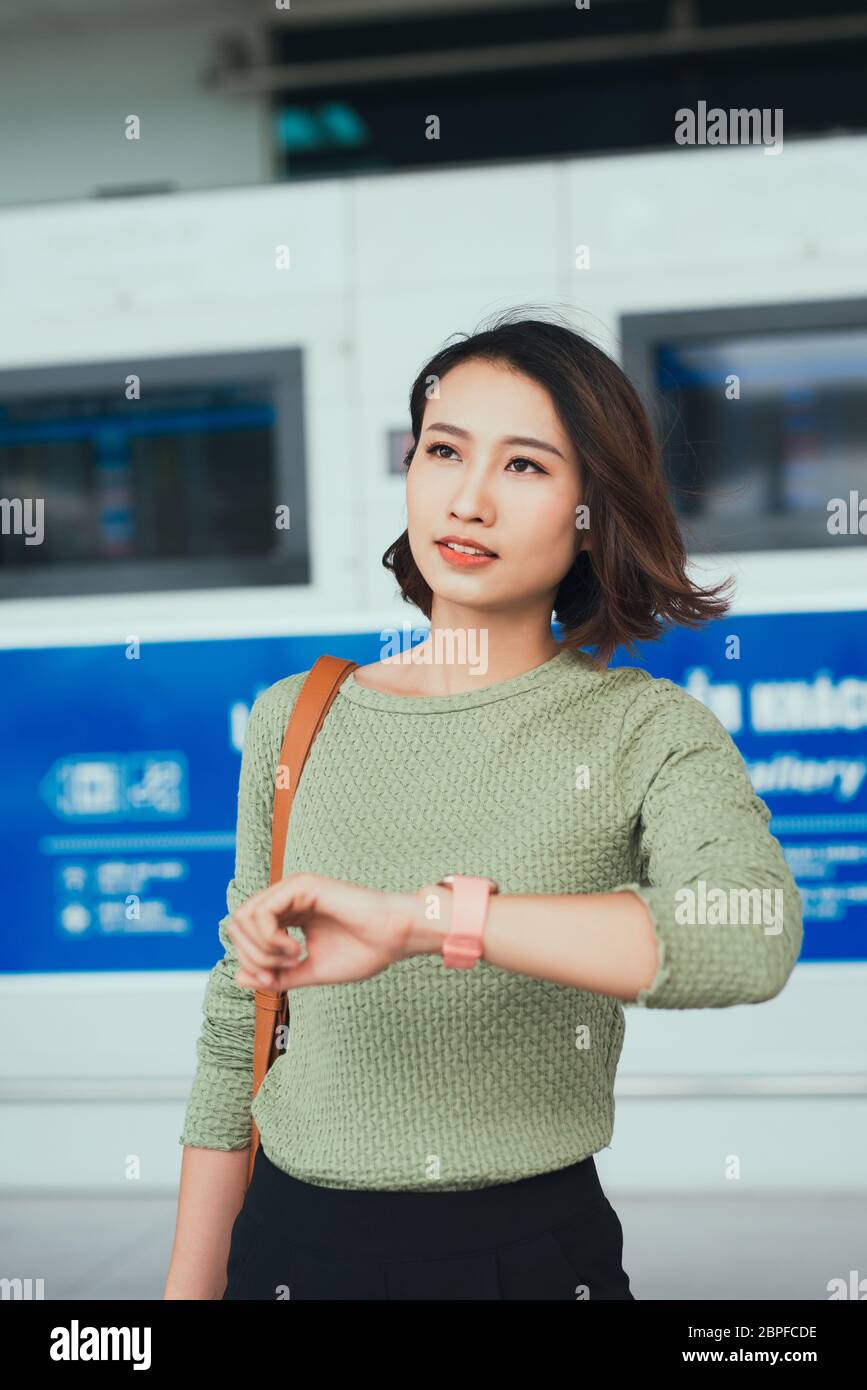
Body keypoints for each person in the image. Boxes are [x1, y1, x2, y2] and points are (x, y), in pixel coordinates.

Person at [163, 309, 804, 1301]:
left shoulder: (646, 729)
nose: (467, 498)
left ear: (595, 507)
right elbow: (234, 1016)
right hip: (285, 1249)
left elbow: (751, 933)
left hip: (526, 1259)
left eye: (526, 466)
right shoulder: (299, 717)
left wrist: (428, 922)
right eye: (443, 450)